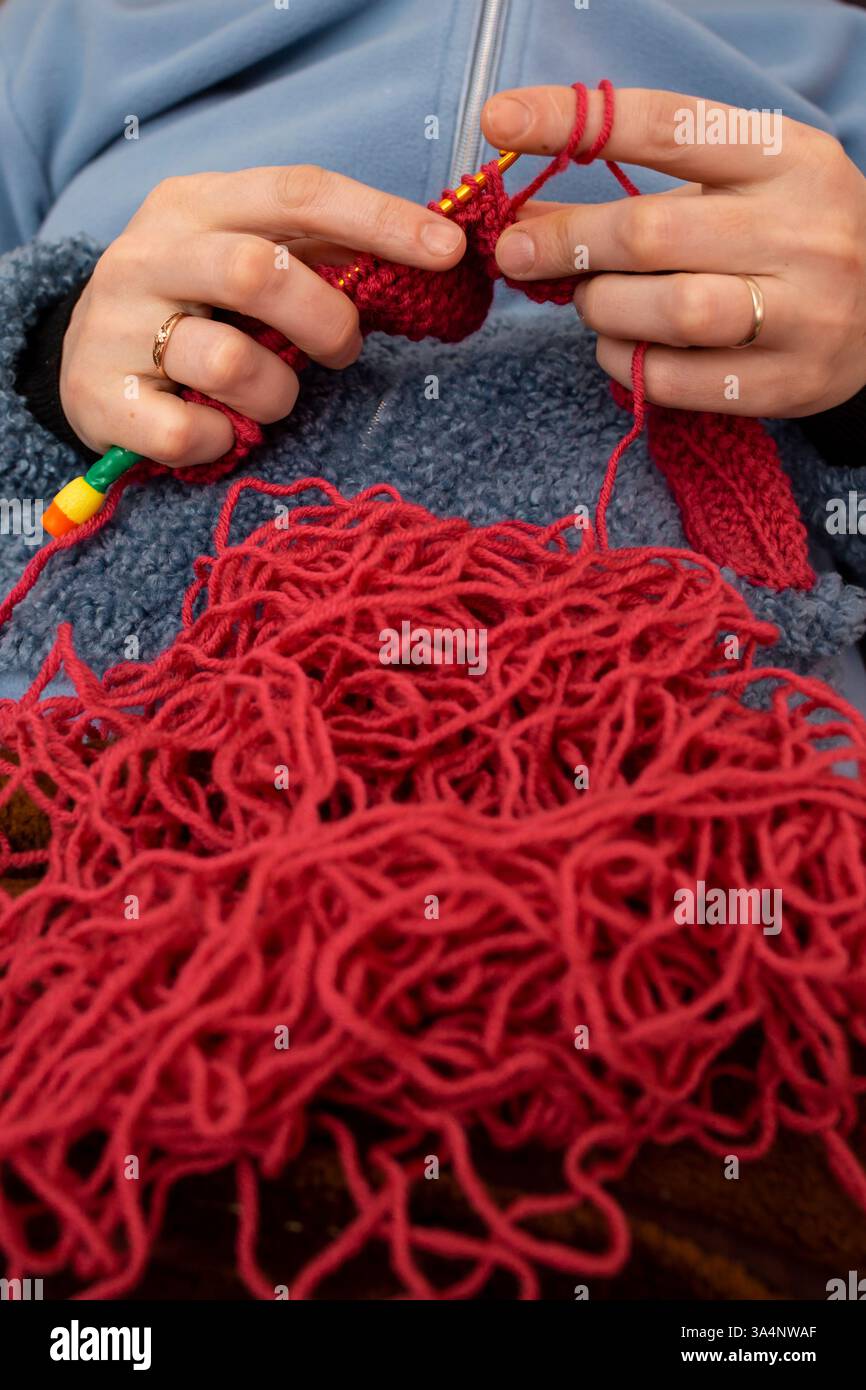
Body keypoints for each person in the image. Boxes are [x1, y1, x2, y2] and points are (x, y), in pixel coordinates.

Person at [0, 0, 864, 701]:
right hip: (128, 709)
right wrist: (52, 357)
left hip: (718, 727)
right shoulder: (57, 30)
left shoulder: (840, 61)